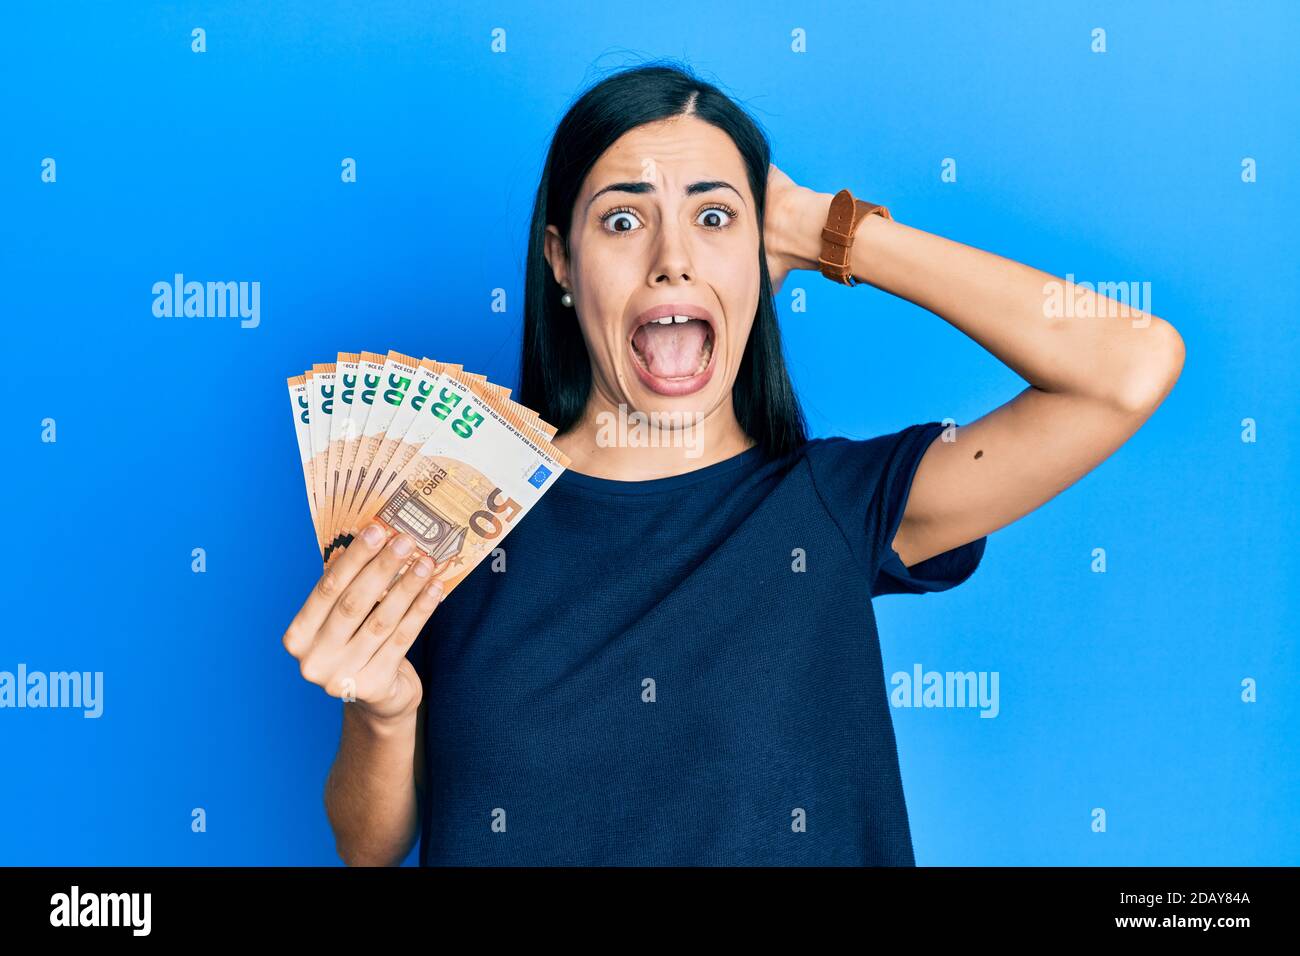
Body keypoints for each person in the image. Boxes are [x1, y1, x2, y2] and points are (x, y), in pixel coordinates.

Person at [282, 62, 1184, 866]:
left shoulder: (841, 505)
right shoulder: (452, 506)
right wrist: (383, 711)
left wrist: (821, 226)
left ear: (762, 256)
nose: (673, 261)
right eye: (623, 219)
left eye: (714, 218)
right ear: (561, 260)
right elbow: (370, 845)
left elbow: (1128, 370)